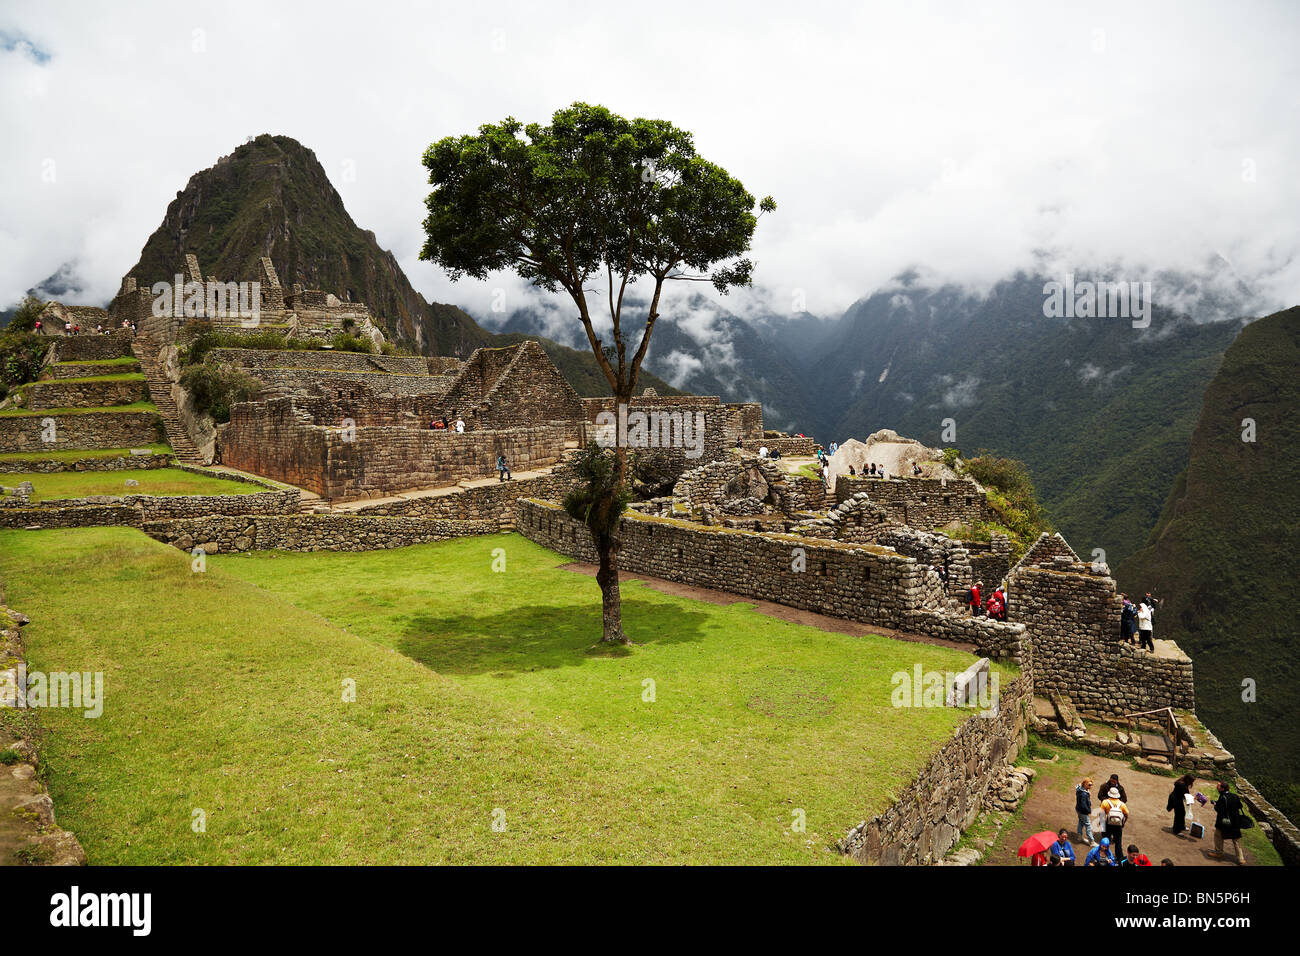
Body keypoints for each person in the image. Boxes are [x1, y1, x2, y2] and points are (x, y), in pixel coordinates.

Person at [1211, 781, 1248, 864]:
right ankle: (1241, 859)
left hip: (1225, 821)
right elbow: (1240, 806)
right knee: (1236, 840)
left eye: (1219, 787)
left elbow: (1219, 810)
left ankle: (1219, 853)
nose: (1217, 788)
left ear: (1222, 789)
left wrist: (1215, 805)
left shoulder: (1223, 797)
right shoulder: (1235, 796)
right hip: (1235, 821)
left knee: (1218, 835)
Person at [1076, 778, 1095, 845]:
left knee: (1081, 822)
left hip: (1079, 810)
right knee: (1088, 825)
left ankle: (1079, 836)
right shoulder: (1084, 794)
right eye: (1089, 785)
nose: (1091, 786)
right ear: (1084, 784)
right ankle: (1091, 841)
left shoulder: (1080, 790)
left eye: (1091, 785)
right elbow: (1083, 805)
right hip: (1083, 811)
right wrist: (1088, 810)